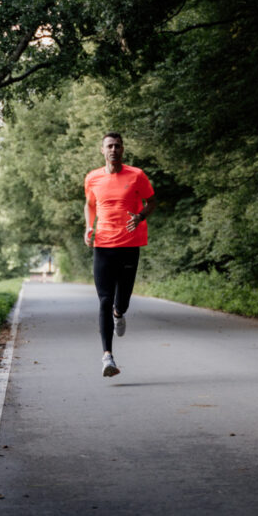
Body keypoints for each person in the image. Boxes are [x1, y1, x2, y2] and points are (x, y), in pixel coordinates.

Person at [84, 132, 157, 377]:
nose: (113, 149)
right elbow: (90, 204)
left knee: (121, 300)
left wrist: (141, 216)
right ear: (102, 150)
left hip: (129, 245)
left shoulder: (136, 175)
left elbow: (152, 202)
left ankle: (119, 312)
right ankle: (107, 357)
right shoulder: (92, 178)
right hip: (103, 246)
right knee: (104, 300)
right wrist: (88, 226)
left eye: (117, 146)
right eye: (109, 146)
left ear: (122, 150)